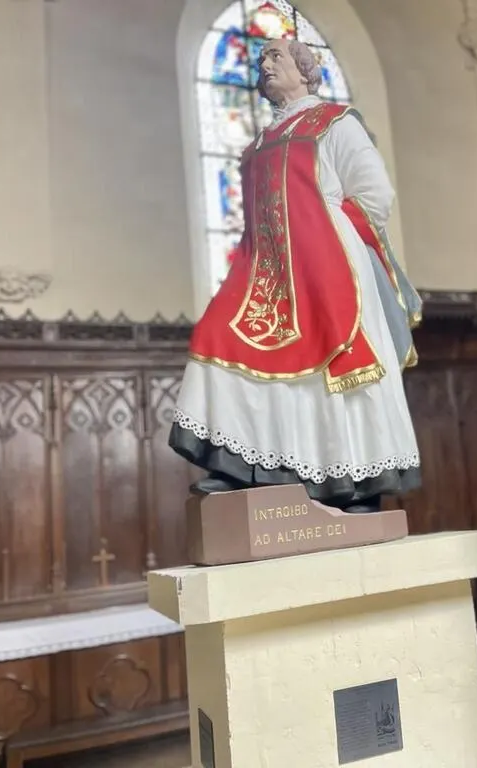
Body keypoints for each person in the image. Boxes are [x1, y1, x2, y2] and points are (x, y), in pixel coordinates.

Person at [169, 37, 423, 513]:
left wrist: (322, 230)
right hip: (264, 267)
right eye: (261, 59)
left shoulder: (334, 122)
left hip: (327, 264)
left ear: (306, 70)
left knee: (336, 371)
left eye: (275, 57)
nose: (263, 65)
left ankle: (356, 483)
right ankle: (246, 468)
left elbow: (375, 195)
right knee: (217, 337)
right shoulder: (259, 143)